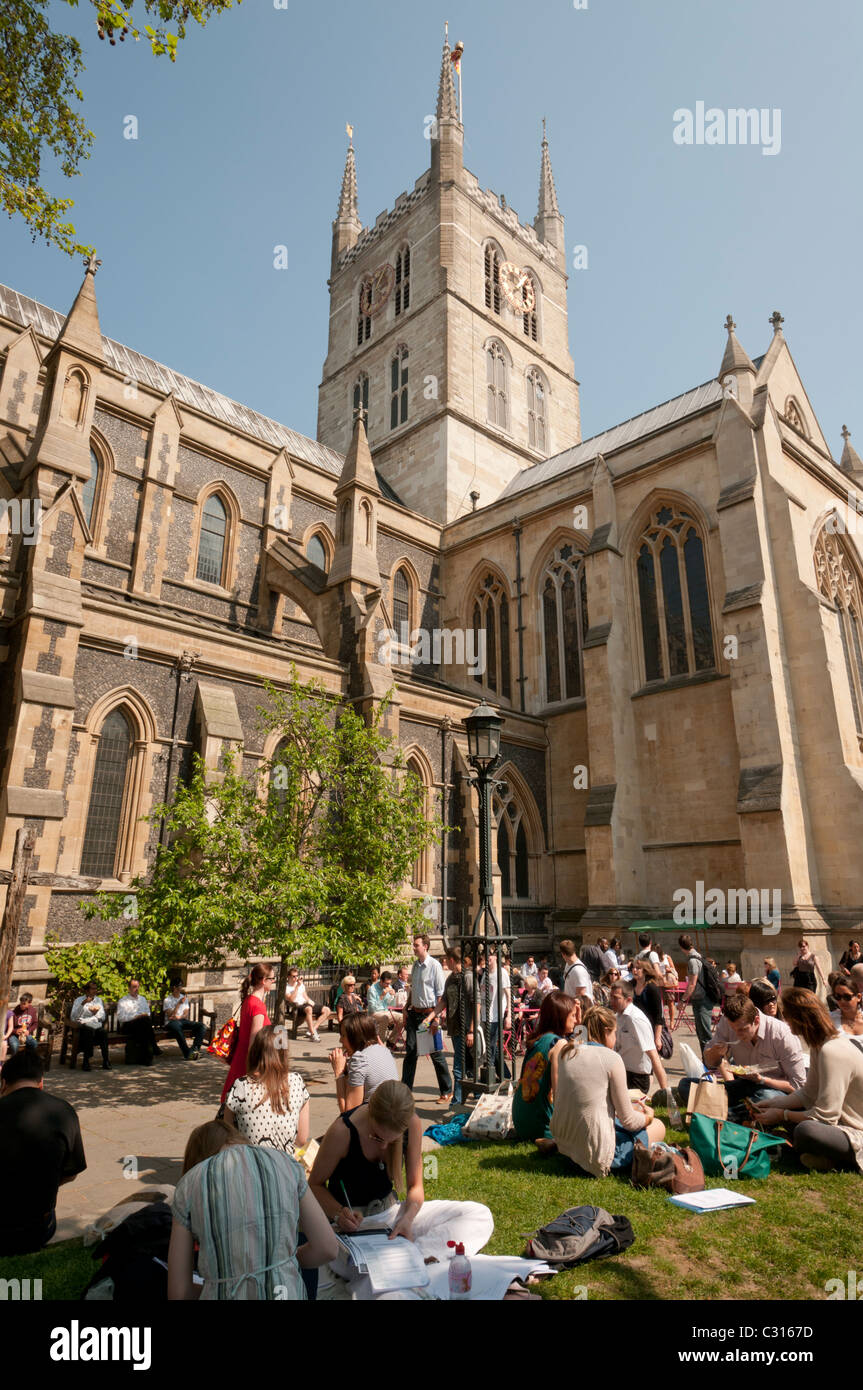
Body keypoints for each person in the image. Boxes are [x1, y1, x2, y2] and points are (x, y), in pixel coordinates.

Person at [308, 1080, 493, 1295]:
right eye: (376, 1137)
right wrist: (339, 1213)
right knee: (372, 1276)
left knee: (478, 1215)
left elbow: (415, 1188)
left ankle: (414, 1257)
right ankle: (401, 1267)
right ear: (370, 1115)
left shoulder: (411, 1123)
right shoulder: (343, 1131)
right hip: (352, 1230)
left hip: (391, 1216)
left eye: (392, 1140)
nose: (384, 1146)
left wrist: (407, 1219)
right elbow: (314, 1185)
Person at [168, 1118, 338, 1299]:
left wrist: (218, 1286)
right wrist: (281, 1262)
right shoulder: (285, 1163)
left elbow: (179, 1292)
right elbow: (326, 1248)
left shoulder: (189, 1185)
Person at [754, 989, 863, 1173]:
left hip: (855, 1131)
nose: (786, 1022)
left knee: (806, 1131)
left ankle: (837, 1159)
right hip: (838, 1125)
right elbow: (808, 1093)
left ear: (799, 1017)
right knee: (796, 1122)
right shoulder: (820, 1045)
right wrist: (772, 1104)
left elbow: (825, 1117)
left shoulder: (832, 1050)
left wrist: (782, 1115)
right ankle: (821, 1156)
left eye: (787, 1016)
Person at [550, 1006, 665, 1177]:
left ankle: (555, 1145)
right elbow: (629, 1121)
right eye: (614, 1033)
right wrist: (648, 1116)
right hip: (596, 1154)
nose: (616, 1039)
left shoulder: (567, 1053)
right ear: (606, 1031)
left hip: (565, 1144)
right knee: (658, 1126)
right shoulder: (611, 1058)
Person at [0, 1049, 86, 1254]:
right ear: (41, 1082)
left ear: (3, 1083)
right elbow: (71, 1173)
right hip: (37, 1225)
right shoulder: (64, 1111)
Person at [685, 994, 807, 1122]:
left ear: (757, 1020)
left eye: (743, 1029)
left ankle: (717, 1112)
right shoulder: (728, 1023)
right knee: (688, 1085)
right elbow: (710, 1062)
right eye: (734, 1029)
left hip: (774, 1089)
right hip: (744, 1084)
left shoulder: (782, 1035)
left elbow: (797, 1087)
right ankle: (724, 1111)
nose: (738, 1035)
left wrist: (762, 1080)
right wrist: (716, 1053)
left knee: (765, 1097)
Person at [224, 1025, 310, 1155]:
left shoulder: (241, 1086)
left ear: (255, 1051)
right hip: (286, 1167)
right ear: (284, 1053)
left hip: (250, 1167)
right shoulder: (297, 1082)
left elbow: (228, 1137)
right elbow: (301, 1139)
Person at [513, 990, 579, 1145]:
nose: (576, 1021)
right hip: (541, 1126)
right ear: (561, 1017)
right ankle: (553, 1143)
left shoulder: (538, 1039)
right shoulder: (558, 1044)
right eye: (573, 1016)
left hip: (521, 1122)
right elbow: (559, 1091)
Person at [401, 934, 452, 1103]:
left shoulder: (435, 966)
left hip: (429, 1015)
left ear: (426, 946)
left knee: (435, 1053)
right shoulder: (415, 966)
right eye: (414, 945)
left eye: (416, 945)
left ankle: (446, 1090)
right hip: (414, 1014)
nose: (414, 948)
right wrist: (406, 1007)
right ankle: (405, 1091)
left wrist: (436, 1019)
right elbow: (414, 989)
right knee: (410, 1053)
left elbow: (440, 995)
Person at [220, 964, 275, 1105]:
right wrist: (253, 1072)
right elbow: (254, 1040)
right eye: (272, 978)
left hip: (241, 1057)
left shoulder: (249, 1000)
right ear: (264, 981)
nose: (274, 981)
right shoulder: (258, 1006)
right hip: (249, 1063)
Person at [329, 1013, 398, 1112]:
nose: (340, 1040)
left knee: (339, 1126)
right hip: (394, 1116)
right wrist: (346, 1071)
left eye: (343, 1035)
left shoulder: (360, 1059)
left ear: (356, 1037)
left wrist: (338, 1073)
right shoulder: (384, 1050)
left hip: (378, 1121)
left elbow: (348, 1113)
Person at [608, 981, 667, 1093]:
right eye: (611, 997)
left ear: (628, 1000)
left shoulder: (635, 1019)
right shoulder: (618, 1016)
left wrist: (666, 1093)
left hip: (637, 1078)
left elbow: (654, 1056)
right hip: (623, 1072)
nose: (612, 1001)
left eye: (616, 998)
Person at [443, 947, 474, 1107]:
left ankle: (456, 1102)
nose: (445, 962)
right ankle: (477, 1093)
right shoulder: (451, 978)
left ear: (452, 960)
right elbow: (443, 1000)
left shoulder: (467, 977)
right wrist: (430, 1017)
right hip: (454, 1027)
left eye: (447, 959)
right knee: (467, 1064)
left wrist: (471, 1030)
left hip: (465, 1027)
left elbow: (477, 1003)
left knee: (458, 1065)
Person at [480, 947, 511, 1082]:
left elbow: (509, 995)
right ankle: (506, 1075)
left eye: (490, 955)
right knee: (491, 1046)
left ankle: (490, 1076)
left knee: (491, 1047)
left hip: (495, 1015)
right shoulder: (486, 974)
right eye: (485, 956)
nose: (487, 958)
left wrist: (509, 1015)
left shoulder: (501, 973)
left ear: (496, 957)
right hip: (484, 1015)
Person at [678, 934, 714, 1053]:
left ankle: (713, 1064)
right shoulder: (698, 957)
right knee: (703, 1034)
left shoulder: (693, 961)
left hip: (702, 1000)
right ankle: (709, 1063)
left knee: (705, 1035)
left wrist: (682, 1000)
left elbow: (692, 984)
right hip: (702, 999)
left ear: (681, 947)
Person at [116, 979, 160, 1065]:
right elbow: (121, 1018)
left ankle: (147, 1059)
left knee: (144, 1024)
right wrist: (135, 1017)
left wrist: (142, 1016)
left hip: (141, 1025)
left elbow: (148, 1012)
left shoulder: (142, 999)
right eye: (134, 987)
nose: (136, 989)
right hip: (128, 1025)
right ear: (129, 988)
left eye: (138, 987)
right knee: (145, 1023)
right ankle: (153, 1048)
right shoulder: (123, 1001)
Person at [70, 980, 110, 1071]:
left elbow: (102, 1016)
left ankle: (106, 1060)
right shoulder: (79, 1000)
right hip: (82, 1027)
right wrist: (83, 1004)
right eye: (92, 989)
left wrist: (92, 1017)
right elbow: (73, 1017)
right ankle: (86, 1061)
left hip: (95, 1025)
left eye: (96, 989)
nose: (95, 991)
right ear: (87, 991)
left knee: (103, 1032)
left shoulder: (98, 1000)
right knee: (88, 1031)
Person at [285, 967, 333, 1043]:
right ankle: (313, 1034)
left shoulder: (301, 985)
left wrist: (310, 1001)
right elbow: (291, 999)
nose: (295, 978)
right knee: (309, 1009)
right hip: (297, 1006)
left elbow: (305, 996)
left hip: (306, 1004)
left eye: (296, 976)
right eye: (293, 976)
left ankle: (313, 1029)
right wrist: (296, 987)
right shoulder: (287, 987)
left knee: (327, 1010)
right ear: (288, 977)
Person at [162, 979, 205, 1060]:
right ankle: (187, 1053)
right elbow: (170, 1015)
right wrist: (178, 1004)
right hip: (171, 1023)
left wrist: (179, 1017)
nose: (181, 988)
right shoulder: (167, 1000)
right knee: (177, 1026)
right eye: (180, 986)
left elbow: (185, 1013)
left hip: (182, 1020)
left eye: (181, 985)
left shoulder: (184, 998)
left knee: (202, 1026)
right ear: (174, 987)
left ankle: (195, 1050)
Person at [630, 958, 665, 1052]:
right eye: (633, 967)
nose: (634, 970)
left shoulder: (652, 988)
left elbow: (659, 1015)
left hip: (649, 1030)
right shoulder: (630, 985)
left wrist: (657, 1038)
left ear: (645, 971)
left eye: (638, 968)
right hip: (633, 1029)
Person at [366, 970, 403, 1046]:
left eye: (389, 983)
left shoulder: (388, 986)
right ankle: (380, 1043)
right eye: (386, 983)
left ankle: (391, 1041)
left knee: (403, 1018)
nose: (388, 985)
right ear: (381, 981)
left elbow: (391, 1004)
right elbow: (373, 1008)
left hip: (386, 1011)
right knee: (385, 1018)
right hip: (374, 1013)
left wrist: (393, 996)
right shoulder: (372, 990)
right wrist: (382, 996)